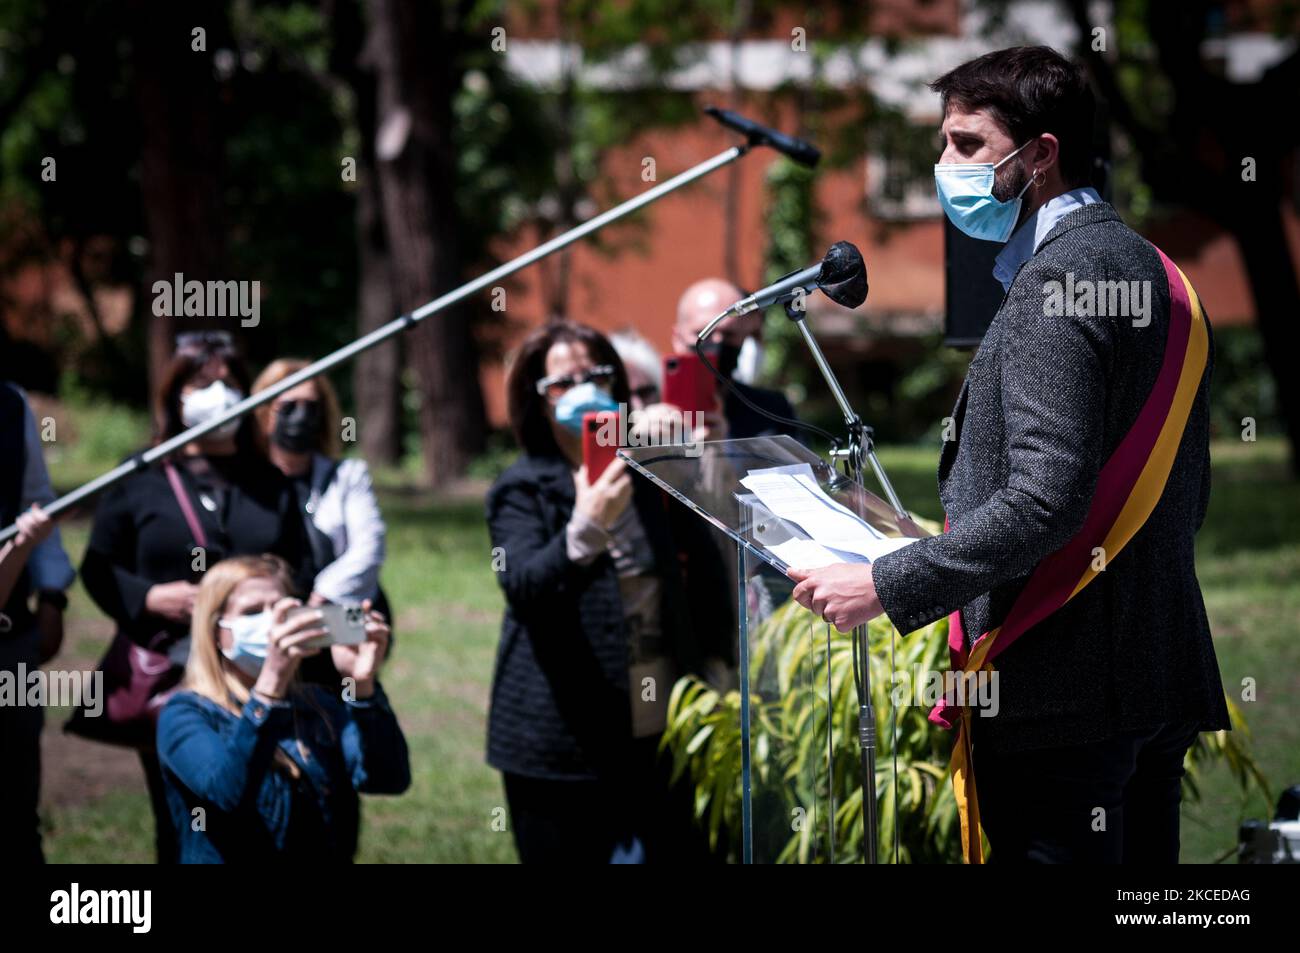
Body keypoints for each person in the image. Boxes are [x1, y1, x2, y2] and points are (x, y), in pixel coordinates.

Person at [789, 46, 1229, 864]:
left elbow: (1044, 499)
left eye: (965, 144)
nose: (941, 165)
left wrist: (884, 583)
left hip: (1058, 698)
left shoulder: (1051, 287)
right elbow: (1181, 490)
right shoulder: (1153, 270)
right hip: (1154, 669)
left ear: (1041, 154)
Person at [486, 320, 731, 863]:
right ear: (538, 401)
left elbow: (702, 570)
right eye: (561, 384)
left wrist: (717, 661)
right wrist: (585, 526)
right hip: (562, 736)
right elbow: (524, 588)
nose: (582, 392)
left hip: (659, 718)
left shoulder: (648, 467)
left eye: (595, 375)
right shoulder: (522, 488)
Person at [79, 331, 310, 863]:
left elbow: (302, 568)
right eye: (201, 384)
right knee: (186, 812)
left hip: (256, 673)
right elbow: (97, 565)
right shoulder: (141, 475)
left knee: (270, 800)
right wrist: (148, 597)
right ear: (174, 395)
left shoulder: (270, 482)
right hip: (172, 678)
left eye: (228, 383)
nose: (218, 395)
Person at [156, 553, 408, 863]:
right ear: (215, 632)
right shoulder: (186, 714)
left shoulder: (321, 706)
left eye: (280, 609)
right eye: (252, 611)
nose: (271, 623)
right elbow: (228, 796)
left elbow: (387, 779)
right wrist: (270, 686)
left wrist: (363, 687)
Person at [251, 358, 390, 681]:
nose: (300, 416)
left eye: (311, 407)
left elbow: (369, 547)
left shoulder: (348, 475)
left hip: (334, 618)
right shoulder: (246, 483)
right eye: (288, 406)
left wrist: (319, 601)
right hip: (265, 626)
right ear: (264, 413)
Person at [1, 379, 76, 864]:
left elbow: (37, 502)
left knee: (14, 807)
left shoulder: (11, 404)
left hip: (11, 641)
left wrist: (51, 594)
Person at [671, 278, 800, 441]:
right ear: (677, 338)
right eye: (704, 332)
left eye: (728, 334)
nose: (717, 342)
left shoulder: (771, 412)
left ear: (744, 336)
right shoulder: (642, 400)